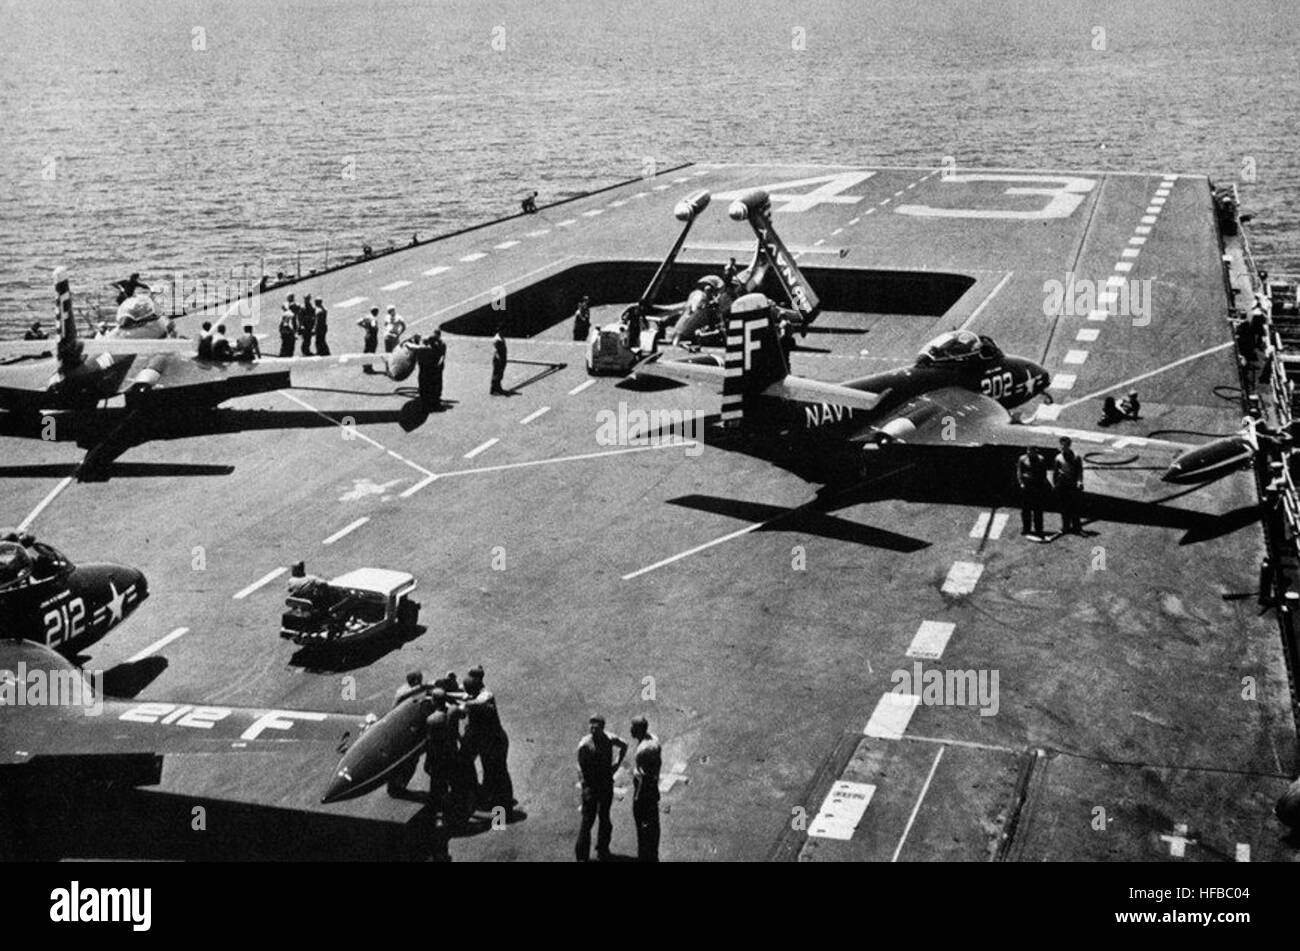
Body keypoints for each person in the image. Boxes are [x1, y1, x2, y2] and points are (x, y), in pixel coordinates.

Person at [575, 715, 628, 861]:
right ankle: (582, 857)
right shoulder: (585, 744)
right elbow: (579, 767)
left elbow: (624, 745)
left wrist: (617, 764)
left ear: (603, 727)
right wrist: (584, 785)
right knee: (587, 822)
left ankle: (603, 848)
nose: (592, 730)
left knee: (605, 818)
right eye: (591, 726)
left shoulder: (609, 739)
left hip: (605, 784)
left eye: (596, 727)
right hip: (591, 786)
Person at [461, 666, 514, 812]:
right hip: (487, 743)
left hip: (495, 743)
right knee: (490, 774)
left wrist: (464, 703)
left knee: (498, 776)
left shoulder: (485, 696)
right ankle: (494, 805)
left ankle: (501, 816)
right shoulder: (476, 693)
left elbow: (479, 702)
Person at [424, 688, 462, 819]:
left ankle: (439, 815)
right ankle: (456, 810)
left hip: (438, 756)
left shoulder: (432, 719)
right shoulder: (453, 713)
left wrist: (427, 761)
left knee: (437, 787)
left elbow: (430, 742)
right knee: (453, 782)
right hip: (452, 751)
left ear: (434, 701)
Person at [388, 672, 427, 796]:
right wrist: (423, 687)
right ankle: (398, 787)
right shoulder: (404, 692)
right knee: (409, 762)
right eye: (419, 680)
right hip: (404, 732)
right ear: (415, 681)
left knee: (405, 763)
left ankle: (396, 786)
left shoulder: (405, 689)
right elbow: (402, 697)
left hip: (404, 729)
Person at [629, 715, 662, 862]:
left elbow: (644, 778)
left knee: (642, 828)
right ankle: (652, 855)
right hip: (653, 791)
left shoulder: (642, 751)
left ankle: (644, 857)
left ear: (638, 729)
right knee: (653, 825)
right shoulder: (653, 739)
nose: (630, 729)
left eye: (633, 727)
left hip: (644, 792)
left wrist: (637, 798)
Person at [1053, 436, 1084, 534]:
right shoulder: (1058, 458)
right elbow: (1055, 472)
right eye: (1062, 446)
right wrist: (1055, 484)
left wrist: (1080, 481)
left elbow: (1079, 470)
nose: (1063, 448)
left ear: (1069, 446)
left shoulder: (1076, 456)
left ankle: (1077, 528)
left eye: (1065, 446)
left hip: (1073, 483)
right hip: (1062, 484)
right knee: (1064, 507)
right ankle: (1065, 527)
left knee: (1075, 506)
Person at [1016, 447, 1049, 538]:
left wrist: (1043, 485)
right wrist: (1021, 483)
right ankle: (1026, 528)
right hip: (1026, 486)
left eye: (1031, 451)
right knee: (1025, 510)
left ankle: (1039, 530)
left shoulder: (1041, 459)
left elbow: (1044, 473)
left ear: (1035, 452)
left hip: (1037, 486)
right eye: (1028, 451)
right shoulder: (1022, 459)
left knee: (1038, 510)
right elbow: (1019, 471)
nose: (1029, 453)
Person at [423, 328, 447, 409]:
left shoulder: (442, 343)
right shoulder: (430, 340)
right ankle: (431, 396)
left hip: (437, 365)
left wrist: (439, 364)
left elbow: (442, 356)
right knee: (431, 381)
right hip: (431, 364)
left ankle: (437, 396)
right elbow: (424, 343)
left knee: (438, 381)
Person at [490, 330, 508, 395]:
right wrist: (500, 360)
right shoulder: (497, 339)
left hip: (500, 358)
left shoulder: (499, 338)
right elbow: (498, 350)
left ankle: (495, 389)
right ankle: (495, 389)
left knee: (498, 374)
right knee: (497, 374)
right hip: (499, 359)